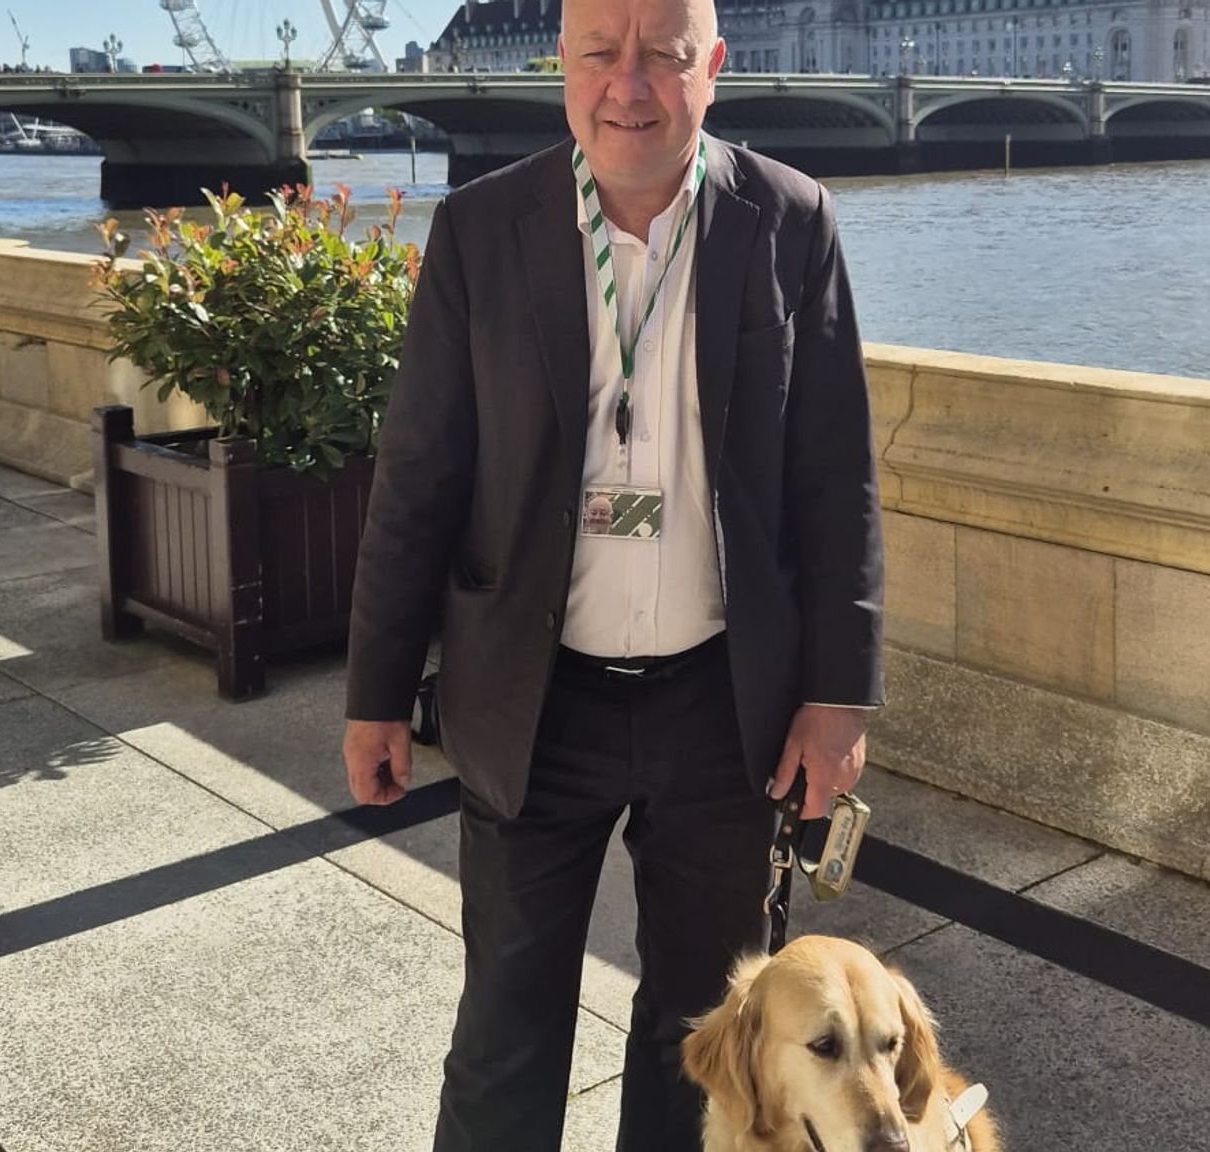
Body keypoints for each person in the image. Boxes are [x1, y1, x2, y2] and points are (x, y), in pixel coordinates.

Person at [338, 0, 883, 1143]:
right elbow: (419, 474)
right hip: (532, 701)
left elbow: (836, 480)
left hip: (720, 705)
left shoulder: (790, 222)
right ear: (563, 68)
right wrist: (376, 692)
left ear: (713, 70)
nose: (627, 85)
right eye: (599, 52)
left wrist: (836, 696)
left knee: (699, 1041)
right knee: (503, 1032)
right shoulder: (481, 231)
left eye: (662, 56)